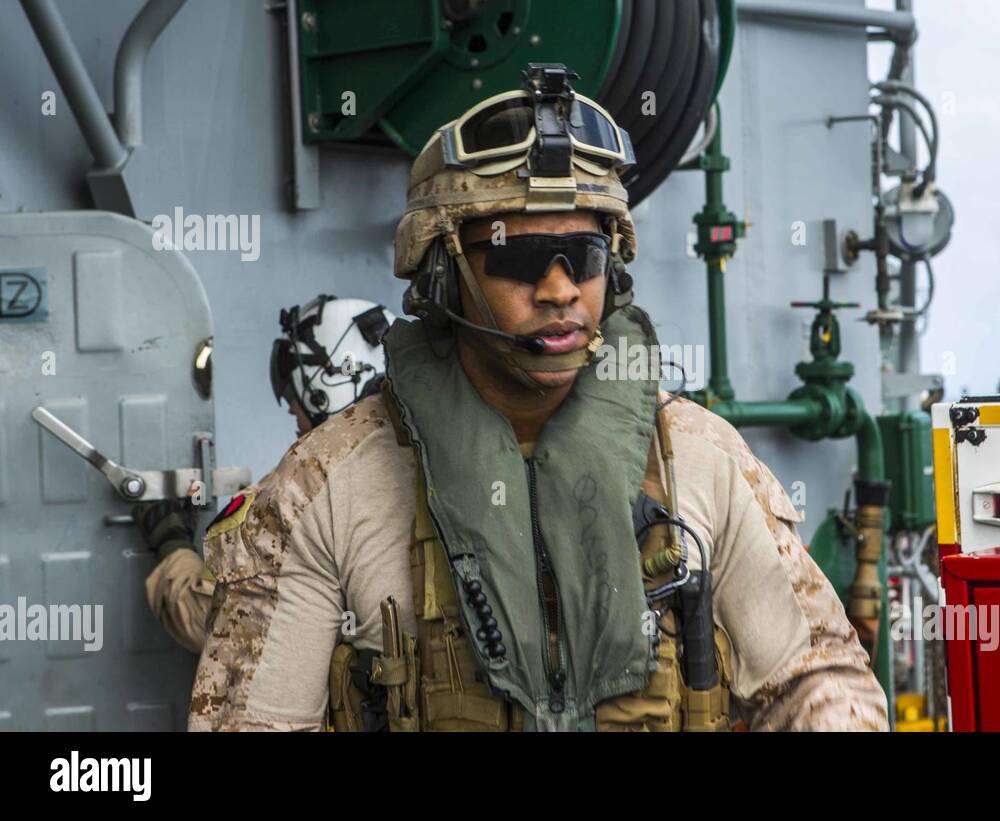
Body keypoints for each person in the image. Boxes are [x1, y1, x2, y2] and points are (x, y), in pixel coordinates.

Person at [189, 64, 888, 732]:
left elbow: (817, 680)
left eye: (583, 256)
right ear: (443, 270)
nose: (559, 289)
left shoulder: (701, 462)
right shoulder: (327, 486)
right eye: (518, 258)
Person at [135, 297, 393, 654]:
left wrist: (172, 546)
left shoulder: (303, 490)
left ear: (326, 387)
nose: (289, 404)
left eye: (293, 384)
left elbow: (211, 620)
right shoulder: (419, 459)